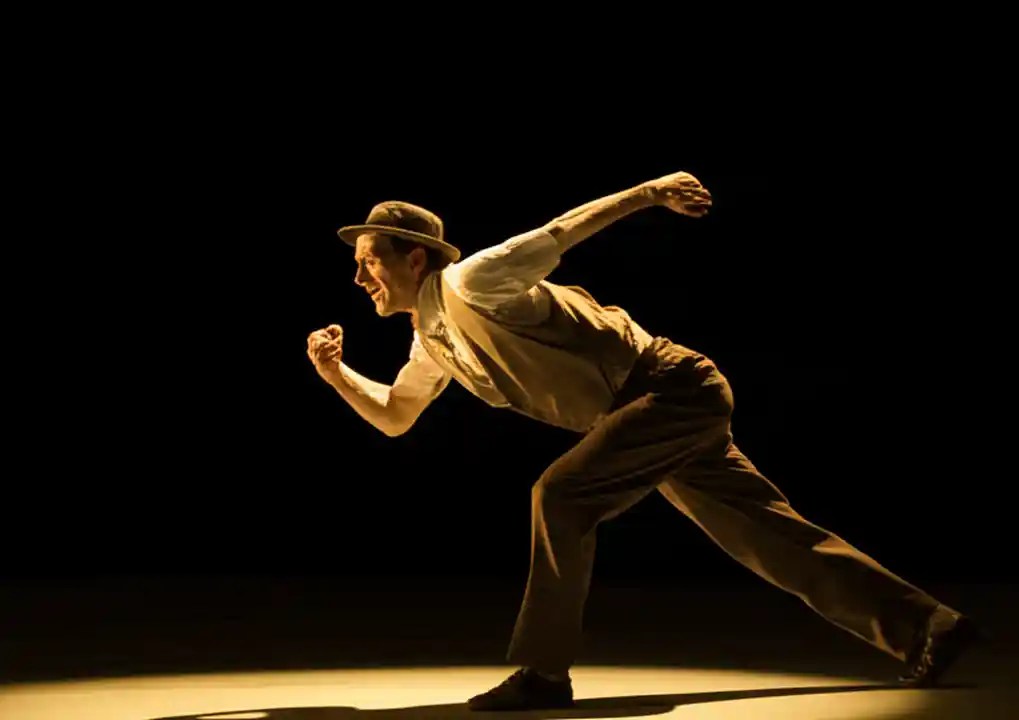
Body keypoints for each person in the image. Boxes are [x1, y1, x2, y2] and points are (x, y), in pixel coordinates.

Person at [306, 171, 980, 711]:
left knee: (561, 495)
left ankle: (542, 674)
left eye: (370, 262)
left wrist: (650, 193)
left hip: (669, 387)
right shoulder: (429, 340)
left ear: (413, 256)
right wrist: (336, 375)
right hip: (646, 413)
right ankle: (930, 626)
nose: (360, 278)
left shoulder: (470, 281)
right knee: (772, 538)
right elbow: (396, 414)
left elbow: (559, 232)